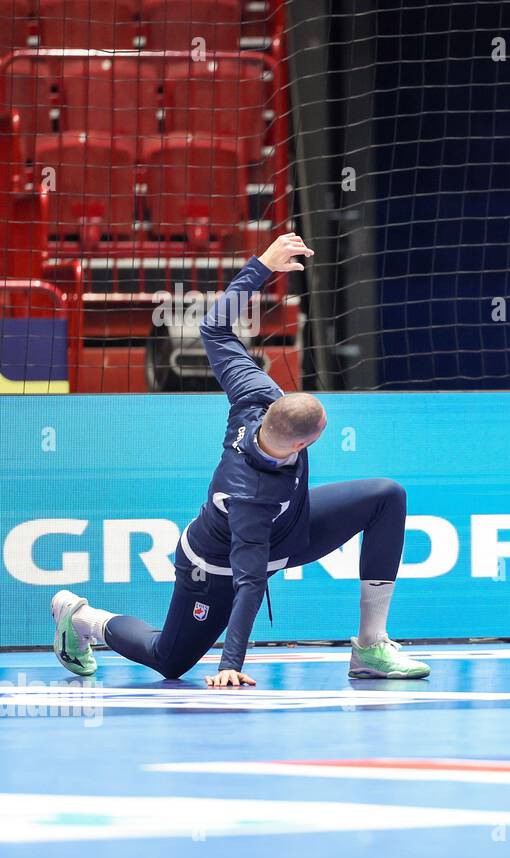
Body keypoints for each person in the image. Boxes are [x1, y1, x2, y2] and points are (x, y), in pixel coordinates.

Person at [50, 233, 430, 686]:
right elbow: (249, 584)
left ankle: (370, 646)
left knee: (385, 496)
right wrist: (230, 664)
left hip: (289, 530)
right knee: (169, 660)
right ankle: (82, 618)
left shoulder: (257, 395)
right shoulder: (249, 496)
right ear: (301, 446)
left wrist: (263, 265)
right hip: (216, 565)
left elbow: (213, 328)